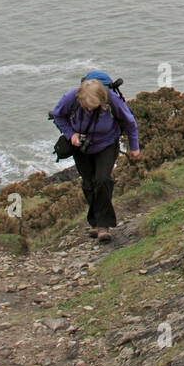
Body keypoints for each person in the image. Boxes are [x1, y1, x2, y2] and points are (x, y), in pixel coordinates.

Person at [49, 77, 140, 242]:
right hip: (81, 146)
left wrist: (134, 147)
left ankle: (104, 226)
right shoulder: (71, 98)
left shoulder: (113, 101)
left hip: (107, 143)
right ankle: (95, 222)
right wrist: (71, 135)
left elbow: (130, 123)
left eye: (93, 105)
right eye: (86, 106)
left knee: (103, 179)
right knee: (88, 183)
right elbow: (57, 115)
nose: (89, 109)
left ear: (102, 100)